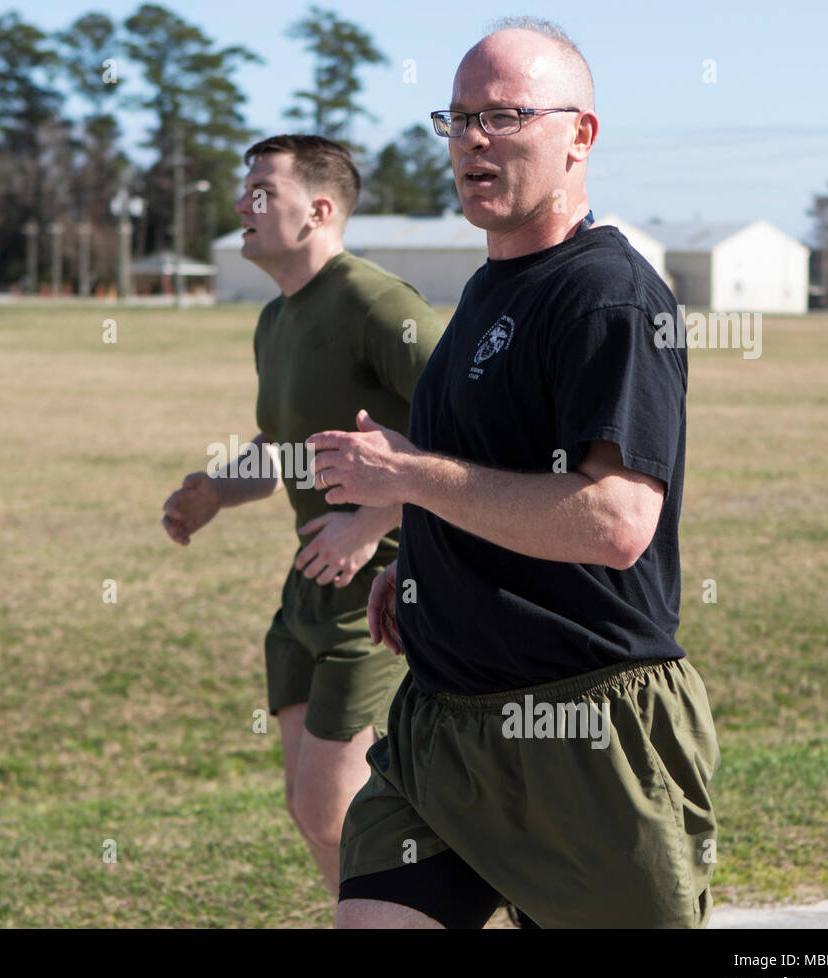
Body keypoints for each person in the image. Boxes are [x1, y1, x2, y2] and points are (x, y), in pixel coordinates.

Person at [305, 19, 720, 928]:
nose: (473, 141)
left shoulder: (608, 296)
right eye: (457, 120)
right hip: (442, 729)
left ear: (581, 134)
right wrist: (421, 563)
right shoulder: (493, 285)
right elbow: (492, 467)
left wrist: (411, 480)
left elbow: (614, 523)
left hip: (582, 731)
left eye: (504, 116)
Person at [161, 134, 445, 896]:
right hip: (309, 589)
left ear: (319, 210)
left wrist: (379, 516)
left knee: (335, 806)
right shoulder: (276, 319)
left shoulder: (378, 303)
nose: (240, 204)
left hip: (392, 591)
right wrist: (219, 491)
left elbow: (474, 431)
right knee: (311, 810)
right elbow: (287, 448)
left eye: (261, 190)